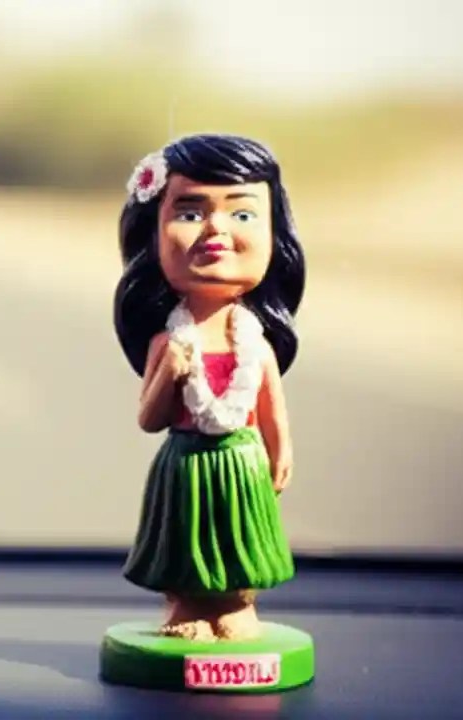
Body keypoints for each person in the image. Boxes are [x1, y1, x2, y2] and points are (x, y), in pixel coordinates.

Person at [113, 133, 306, 642]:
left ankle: (236, 609)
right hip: (186, 464)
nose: (217, 229)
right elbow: (150, 420)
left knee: (242, 538)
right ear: (152, 236)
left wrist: (280, 448)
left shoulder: (256, 344)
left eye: (243, 214)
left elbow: (272, 409)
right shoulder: (168, 342)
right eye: (191, 213)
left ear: (275, 233)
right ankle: (188, 610)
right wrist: (170, 372)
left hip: (243, 462)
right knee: (187, 540)